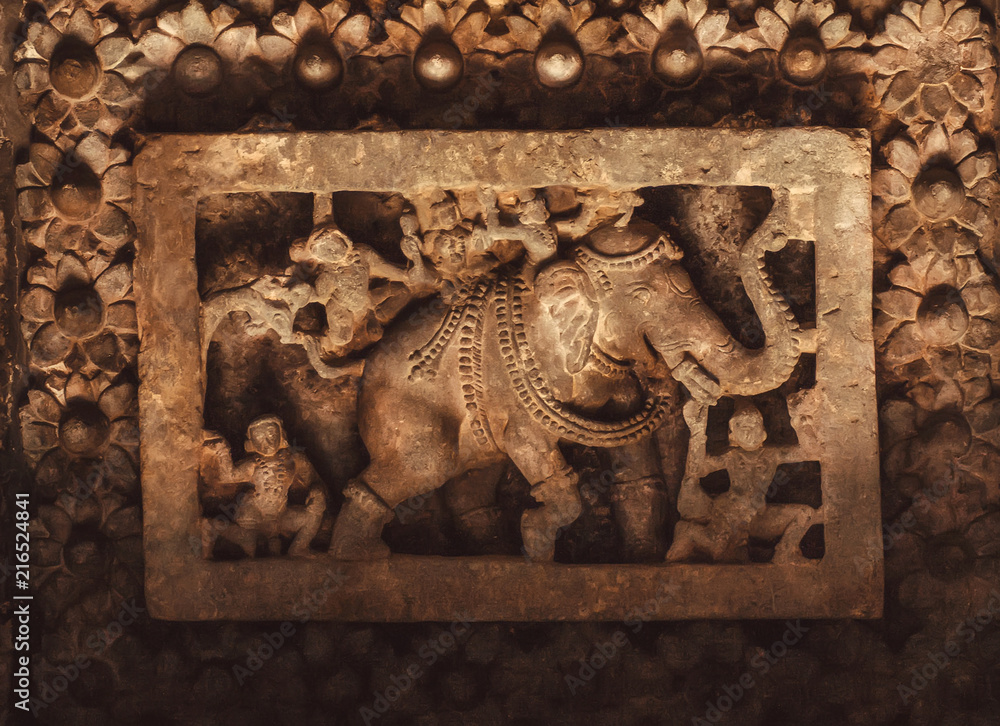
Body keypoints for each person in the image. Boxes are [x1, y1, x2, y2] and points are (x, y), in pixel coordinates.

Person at [201, 416, 326, 558]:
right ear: (251, 442)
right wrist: (223, 450)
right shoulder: (253, 464)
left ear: (281, 434)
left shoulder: (295, 460)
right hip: (255, 515)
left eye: (271, 434)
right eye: (258, 438)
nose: (266, 442)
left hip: (281, 516)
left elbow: (314, 481)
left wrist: (318, 491)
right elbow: (228, 476)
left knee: (313, 515)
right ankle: (211, 526)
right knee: (249, 541)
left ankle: (298, 548)